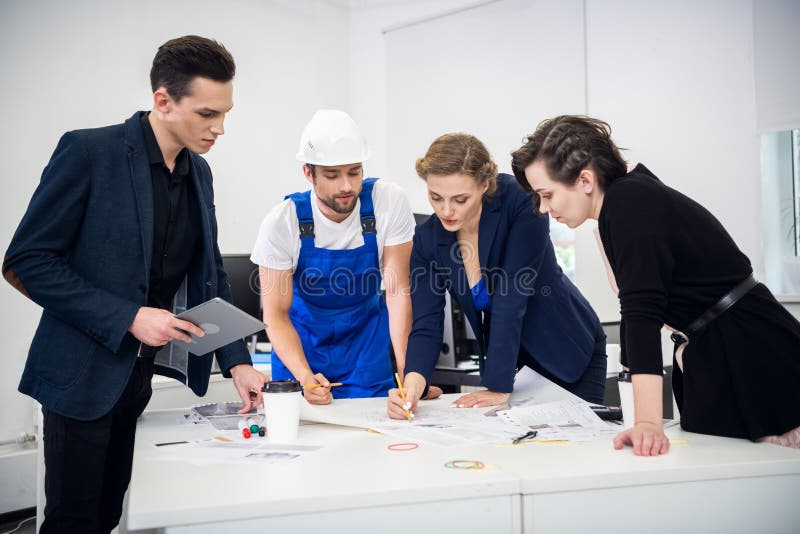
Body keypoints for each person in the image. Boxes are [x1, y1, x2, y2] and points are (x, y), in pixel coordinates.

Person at [3, 36, 267, 533]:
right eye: (208, 114)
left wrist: (237, 362)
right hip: (79, 378)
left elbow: (209, 273)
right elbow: (27, 261)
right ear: (163, 101)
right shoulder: (88, 152)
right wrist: (128, 317)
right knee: (73, 523)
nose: (220, 128)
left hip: (136, 379)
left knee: (108, 515)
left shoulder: (198, 172)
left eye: (225, 114)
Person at [511, 115, 800, 456]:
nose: (543, 208)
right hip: (720, 346)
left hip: (753, 351)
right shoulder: (626, 200)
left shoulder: (629, 202)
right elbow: (637, 302)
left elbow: (642, 312)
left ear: (585, 179)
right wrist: (636, 408)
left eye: (547, 195)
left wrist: (647, 422)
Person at [387, 133, 607, 420]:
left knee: (575, 444)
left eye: (460, 199)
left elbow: (511, 297)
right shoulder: (428, 239)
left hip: (566, 350)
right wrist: (413, 385)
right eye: (436, 197)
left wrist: (498, 386)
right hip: (513, 367)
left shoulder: (520, 201)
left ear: (484, 185)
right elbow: (427, 323)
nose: (446, 210)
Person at [252, 110, 440, 403]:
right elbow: (275, 316)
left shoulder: (387, 202)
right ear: (308, 173)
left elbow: (398, 292)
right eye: (332, 175)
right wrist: (305, 378)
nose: (346, 186)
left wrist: (409, 375)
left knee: (376, 426)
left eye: (354, 172)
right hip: (300, 350)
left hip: (365, 353)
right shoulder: (282, 222)